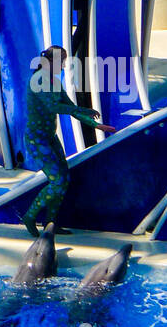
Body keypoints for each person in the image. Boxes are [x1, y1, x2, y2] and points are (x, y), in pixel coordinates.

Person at [21, 45, 116, 237]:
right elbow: (55, 107)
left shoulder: (54, 82)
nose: (64, 66)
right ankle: (30, 216)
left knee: (63, 181)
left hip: (49, 138)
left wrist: (95, 124)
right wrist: (80, 111)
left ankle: (51, 223)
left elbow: (71, 107)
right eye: (62, 62)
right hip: (37, 140)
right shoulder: (38, 81)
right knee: (57, 181)